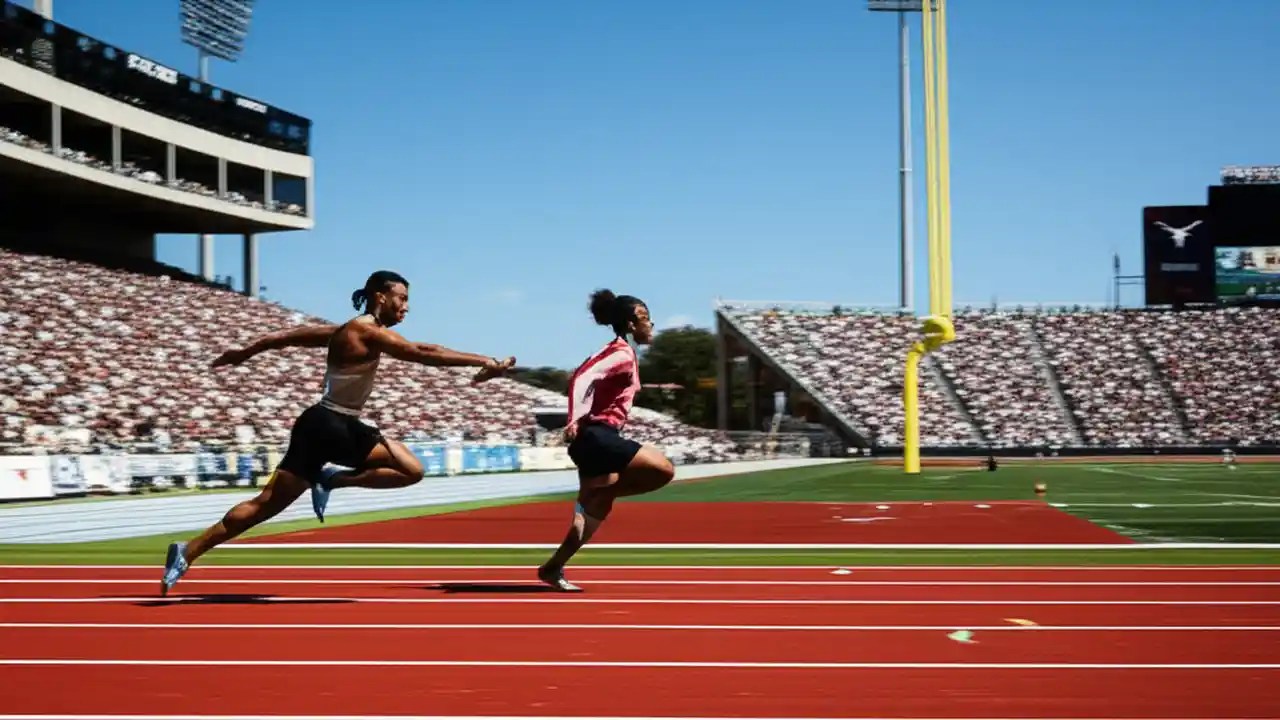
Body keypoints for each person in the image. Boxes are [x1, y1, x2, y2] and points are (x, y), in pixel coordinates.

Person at [160, 270, 515, 595]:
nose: (407, 306)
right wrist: (484, 359)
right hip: (335, 424)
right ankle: (332, 480)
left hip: (317, 424)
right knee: (411, 470)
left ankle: (187, 552)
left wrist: (245, 352)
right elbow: (421, 351)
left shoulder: (346, 329)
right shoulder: (366, 331)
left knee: (263, 507)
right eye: (402, 298)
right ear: (380, 297)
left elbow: (284, 337)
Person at [537, 289, 676, 592]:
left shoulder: (623, 352)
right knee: (663, 469)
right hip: (596, 435)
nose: (650, 325)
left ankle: (553, 567)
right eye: (645, 319)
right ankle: (603, 493)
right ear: (630, 324)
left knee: (591, 515)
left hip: (593, 440)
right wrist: (574, 417)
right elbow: (582, 377)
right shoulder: (621, 352)